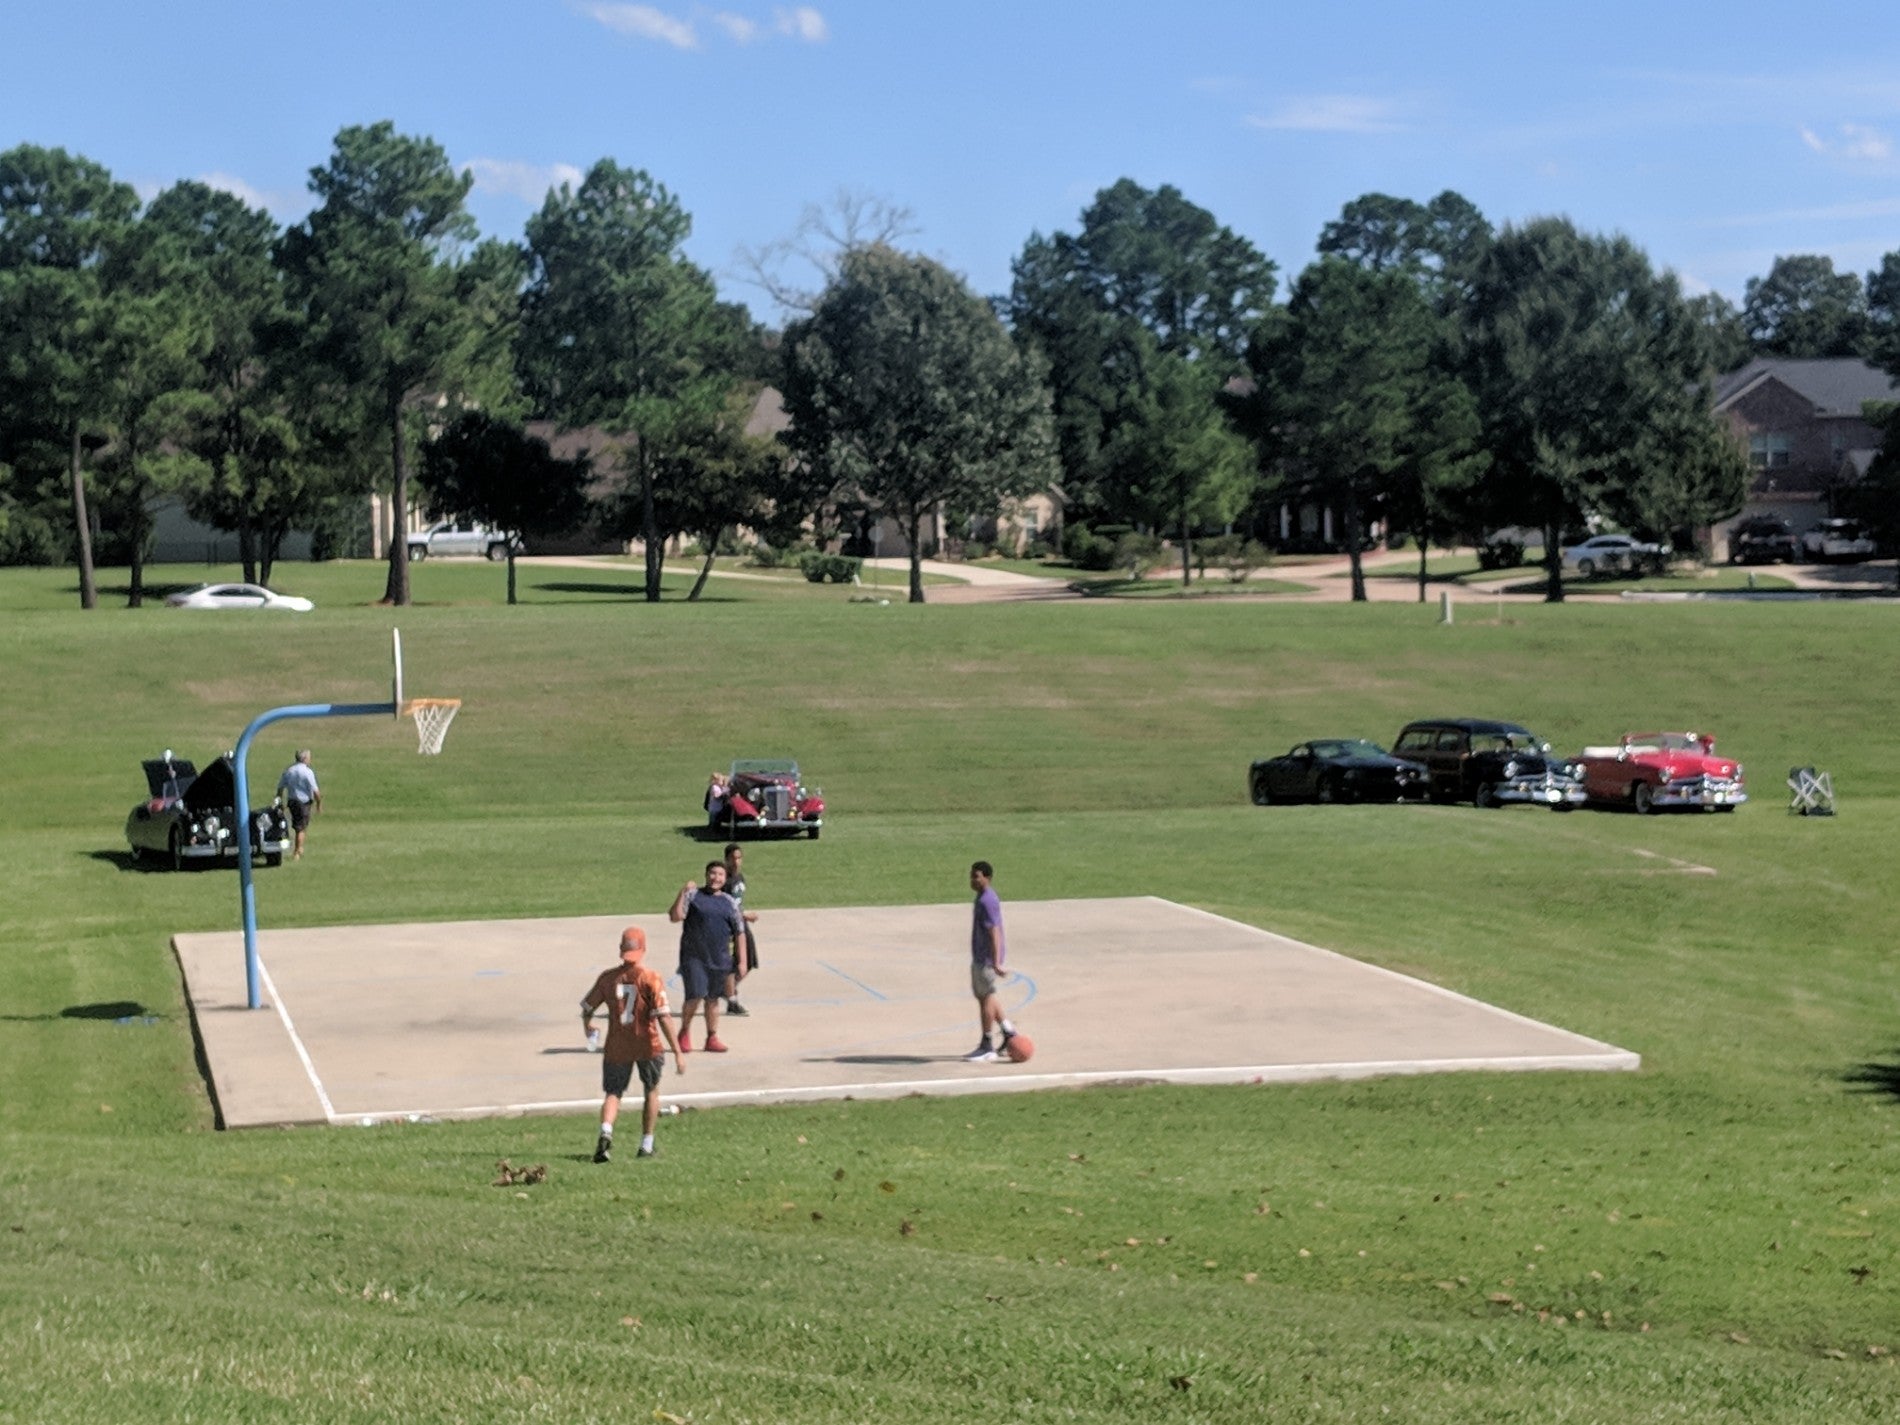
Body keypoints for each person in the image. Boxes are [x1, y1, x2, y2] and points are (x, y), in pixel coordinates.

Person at [580, 926, 683, 1162]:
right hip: (648, 1043)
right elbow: (664, 1017)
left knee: (613, 1092)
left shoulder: (607, 978)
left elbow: (587, 1007)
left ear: (621, 949)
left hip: (617, 1043)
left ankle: (606, 1131)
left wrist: (588, 1026)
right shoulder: (650, 978)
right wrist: (677, 1050)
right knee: (651, 1090)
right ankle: (646, 1144)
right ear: (643, 949)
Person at [669, 861, 746, 1054]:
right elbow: (675, 916)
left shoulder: (729, 902)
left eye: (720, 875)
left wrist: (742, 961)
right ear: (706, 875)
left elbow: (740, 932)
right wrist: (682, 892)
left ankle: (712, 1037)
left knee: (713, 999)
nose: (716, 878)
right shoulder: (694, 895)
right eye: (712, 873)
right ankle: (684, 1032)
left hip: (720, 959)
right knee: (694, 996)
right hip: (694, 958)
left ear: (725, 879)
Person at [964, 860, 1019, 1062]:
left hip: (986, 959)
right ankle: (1008, 1031)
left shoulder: (987, 900)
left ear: (987, 878)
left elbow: (994, 931)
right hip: (981, 956)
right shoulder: (982, 897)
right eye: (971, 876)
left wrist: (995, 963)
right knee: (985, 996)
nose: (972, 880)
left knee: (986, 998)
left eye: (976, 876)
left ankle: (987, 1046)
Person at [721, 842, 761, 1016]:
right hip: (729, 928)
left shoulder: (740, 878)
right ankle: (731, 1001)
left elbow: (737, 903)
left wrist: (743, 916)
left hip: (741, 925)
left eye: (739, 858)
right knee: (732, 964)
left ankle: (727, 989)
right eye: (732, 858)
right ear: (726, 860)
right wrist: (745, 915)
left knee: (750, 961)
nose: (736, 862)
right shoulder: (724, 881)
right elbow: (724, 907)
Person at [276, 749, 322, 860]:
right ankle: (297, 851)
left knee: (299, 825)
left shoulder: (289, 771)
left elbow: (280, 788)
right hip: (303, 802)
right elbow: (315, 791)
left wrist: (280, 801)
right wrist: (319, 803)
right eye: (309, 758)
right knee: (300, 828)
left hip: (292, 801)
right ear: (304, 759)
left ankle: (300, 848)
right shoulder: (307, 772)